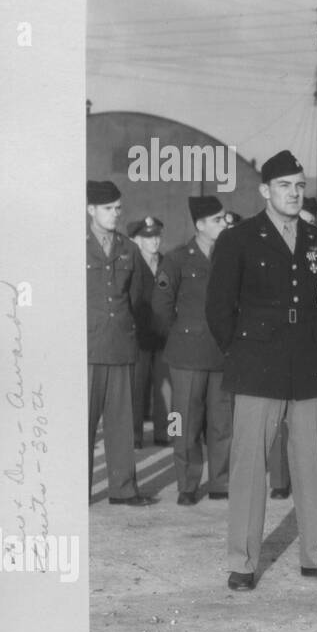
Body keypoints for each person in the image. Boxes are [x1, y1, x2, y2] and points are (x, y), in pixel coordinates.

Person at [206, 150, 317, 590]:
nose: (294, 193)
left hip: (307, 365)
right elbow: (218, 309)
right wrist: (245, 351)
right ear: (265, 191)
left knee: (312, 464)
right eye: (285, 186)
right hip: (257, 366)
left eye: (299, 186)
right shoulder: (239, 239)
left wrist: (313, 339)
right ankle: (243, 563)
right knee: (249, 468)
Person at [151, 196, 232, 506]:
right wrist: (180, 332)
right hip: (187, 354)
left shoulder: (230, 257)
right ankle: (187, 485)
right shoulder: (176, 259)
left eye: (224, 219)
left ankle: (220, 482)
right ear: (199, 225)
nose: (224, 224)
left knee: (222, 423)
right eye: (217, 220)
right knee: (184, 423)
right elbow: (161, 305)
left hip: (222, 354)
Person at [86, 180, 158, 506]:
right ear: (91, 210)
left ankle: (123, 489)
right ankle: (77, 490)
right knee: (82, 425)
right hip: (85, 348)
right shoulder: (74, 245)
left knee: (121, 423)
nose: (115, 214)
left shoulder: (128, 248)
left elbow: (139, 296)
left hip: (121, 346)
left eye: (117, 208)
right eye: (107, 209)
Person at [128, 216, 172, 448]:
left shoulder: (167, 263)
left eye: (157, 236)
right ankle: (134, 437)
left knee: (167, 390)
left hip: (164, 337)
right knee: (136, 388)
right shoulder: (131, 264)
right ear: (136, 240)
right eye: (148, 237)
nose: (154, 241)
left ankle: (168, 433)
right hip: (139, 337)